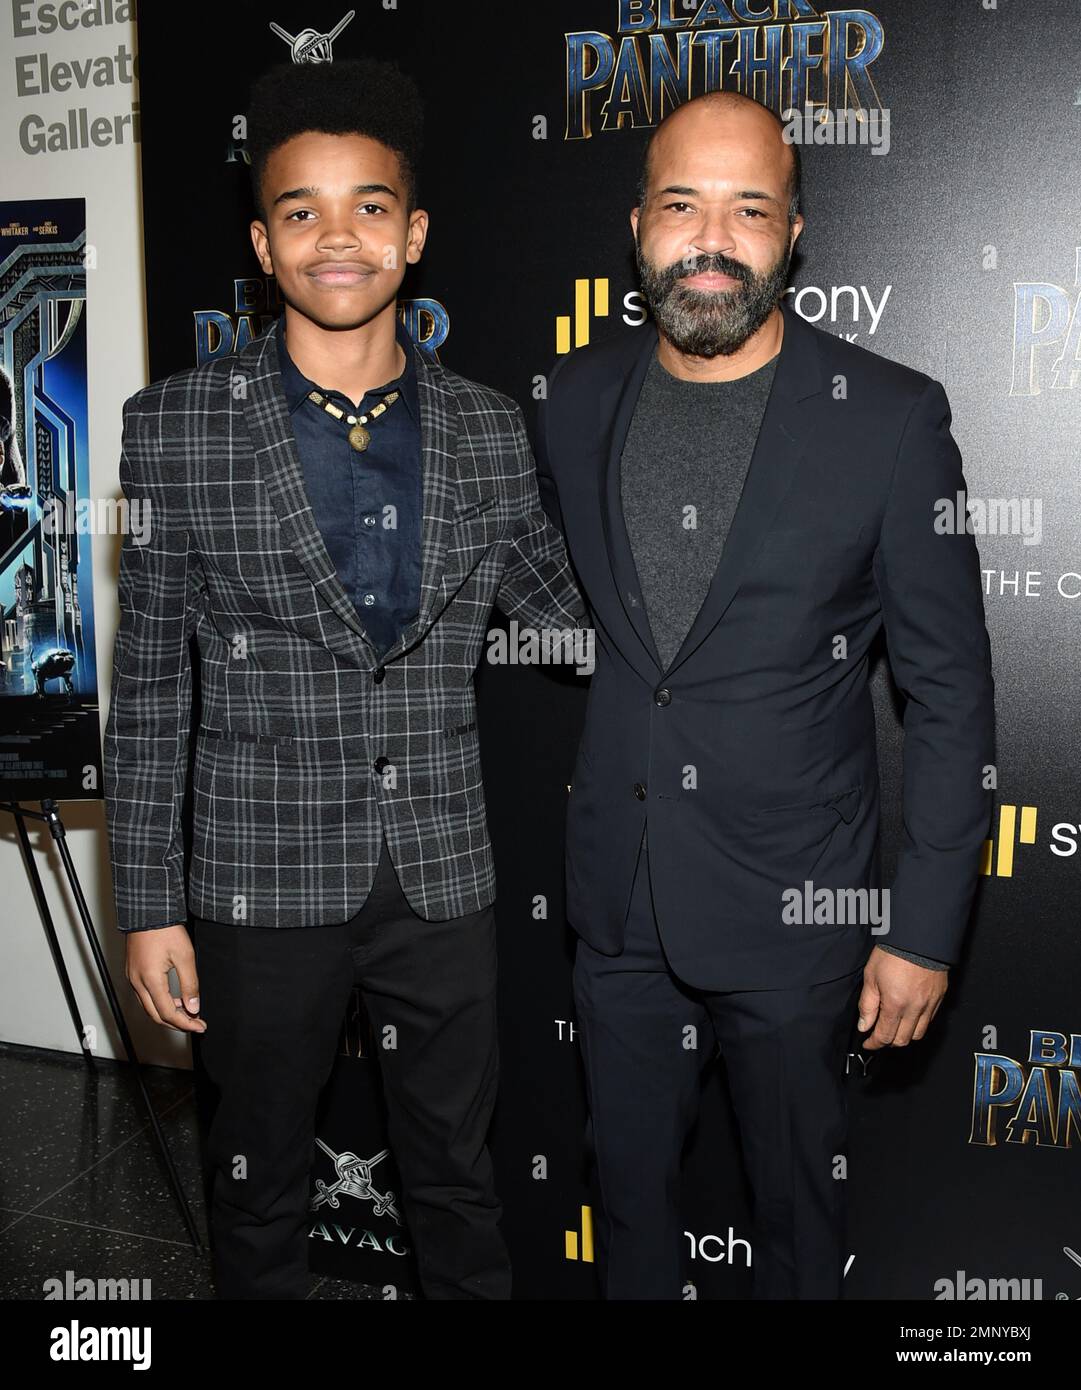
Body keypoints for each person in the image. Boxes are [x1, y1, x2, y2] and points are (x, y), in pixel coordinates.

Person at [103, 57, 584, 1300]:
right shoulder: (173, 426)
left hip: (441, 875)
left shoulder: (489, 426)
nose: (337, 237)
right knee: (258, 1182)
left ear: (412, 234)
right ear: (263, 244)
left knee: (458, 1181)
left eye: (369, 206)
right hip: (256, 879)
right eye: (301, 211)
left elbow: (568, 621)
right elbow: (148, 684)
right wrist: (146, 902)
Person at [535, 91, 995, 1299]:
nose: (711, 239)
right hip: (619, 907)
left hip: (797, 914)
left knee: (798, 1227)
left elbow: (949, 692)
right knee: (626, 1218)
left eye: (748, 210)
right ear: (638, 225)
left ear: (793, 233)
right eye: (681, 204)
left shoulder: (890, 419)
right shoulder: (572, 400)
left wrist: (921, 928)